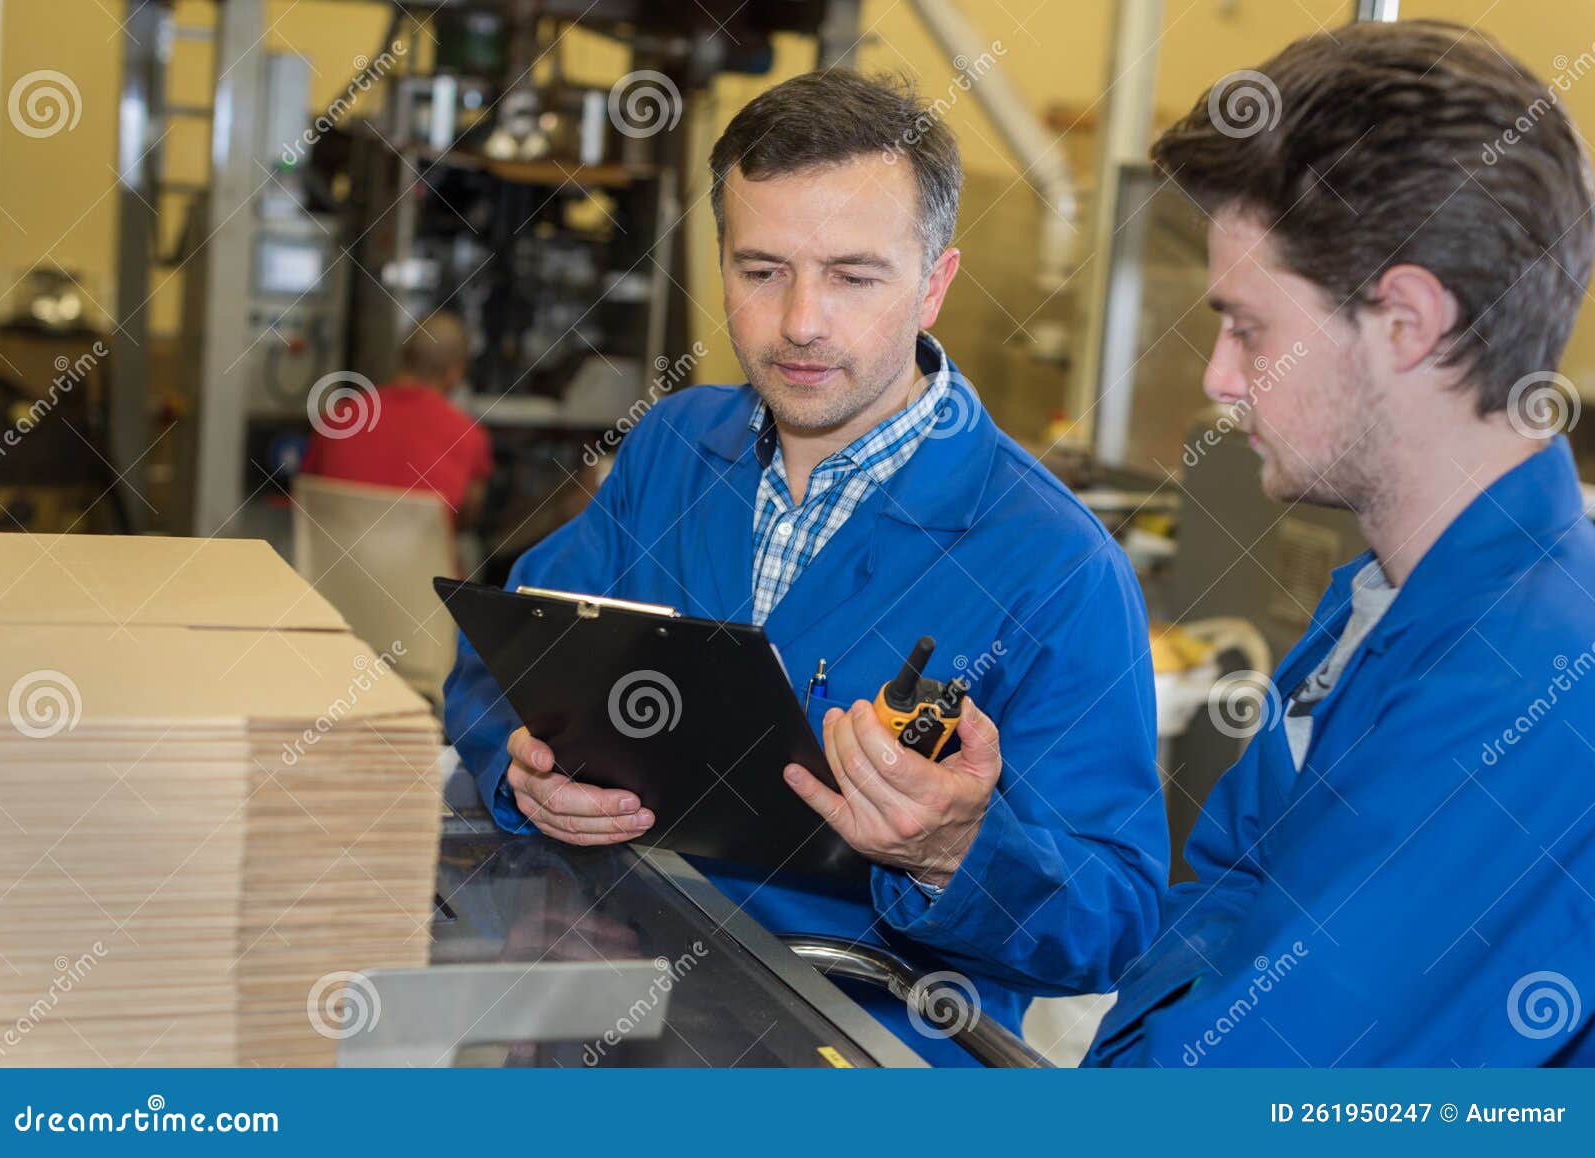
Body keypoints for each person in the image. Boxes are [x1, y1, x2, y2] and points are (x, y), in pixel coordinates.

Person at [443, 70, 1169, 1064]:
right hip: (612, 1005)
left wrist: (958, 853)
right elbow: (502, 658)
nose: (800, 322)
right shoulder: (670, 449)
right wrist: (519, 771)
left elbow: (1117, 919)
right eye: (760, 269)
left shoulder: (1055, 567)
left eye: (854, 275)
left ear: (935, 281)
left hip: (853, 1056)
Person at [1077, 20, 1595, 1065]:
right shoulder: (1383, 609)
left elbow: (1252, 1079)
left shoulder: (1533, 677)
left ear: (1405, 319)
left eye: (1250, 327)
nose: (1221, 377)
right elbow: (1211, 901)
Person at [300, 310, 492, 528]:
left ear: (403, 358)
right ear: (455, 372)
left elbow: (308, 497)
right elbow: (466, 520)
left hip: (335, 560)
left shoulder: (339, 418)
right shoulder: (469, 436)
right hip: (422, 562)